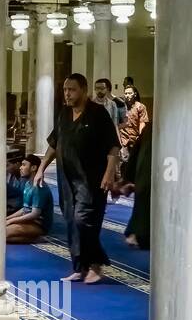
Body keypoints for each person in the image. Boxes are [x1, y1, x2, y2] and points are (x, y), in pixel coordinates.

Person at [35, 73, 120, 284]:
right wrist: (40, 169)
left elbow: (113, 146)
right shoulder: (64, 114)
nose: (67, 94)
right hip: (66, 178)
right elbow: (54, 144)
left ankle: (96, 264)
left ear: (83, 90)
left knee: (84, 220)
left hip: (91, 179)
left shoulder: (98, 114)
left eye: (72, 89)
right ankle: (80, 267)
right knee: (72, 221)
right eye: (65, 90)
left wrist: (110, 173)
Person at [118, 120, 152, 249]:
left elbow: (135, 153)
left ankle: (137, 234)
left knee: (143, 201)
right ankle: (139, 235)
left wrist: (127, 178)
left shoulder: (150, 127)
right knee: (144, 202)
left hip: (146, 174)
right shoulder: (151, 128)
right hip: (149, 173)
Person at [6, 155, 53, 244]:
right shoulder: (28, 184)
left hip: (38, 225)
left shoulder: (39, 187)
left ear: (33, 168)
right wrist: (7, 218)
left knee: (3, 234)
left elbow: (34, 214)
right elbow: (25, 209)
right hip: (28, 221)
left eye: (24, 165)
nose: (20, 167)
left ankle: (37, 239)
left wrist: (11, 221)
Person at [118, 86, 149, 157]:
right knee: (122, 162)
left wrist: (140, 136)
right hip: (123, 139)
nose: (127, 95)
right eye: (125, 93)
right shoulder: (121, 106)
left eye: (129, 93)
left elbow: (142, 122)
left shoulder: (140, 107)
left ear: (134, 94)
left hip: (134, 138)